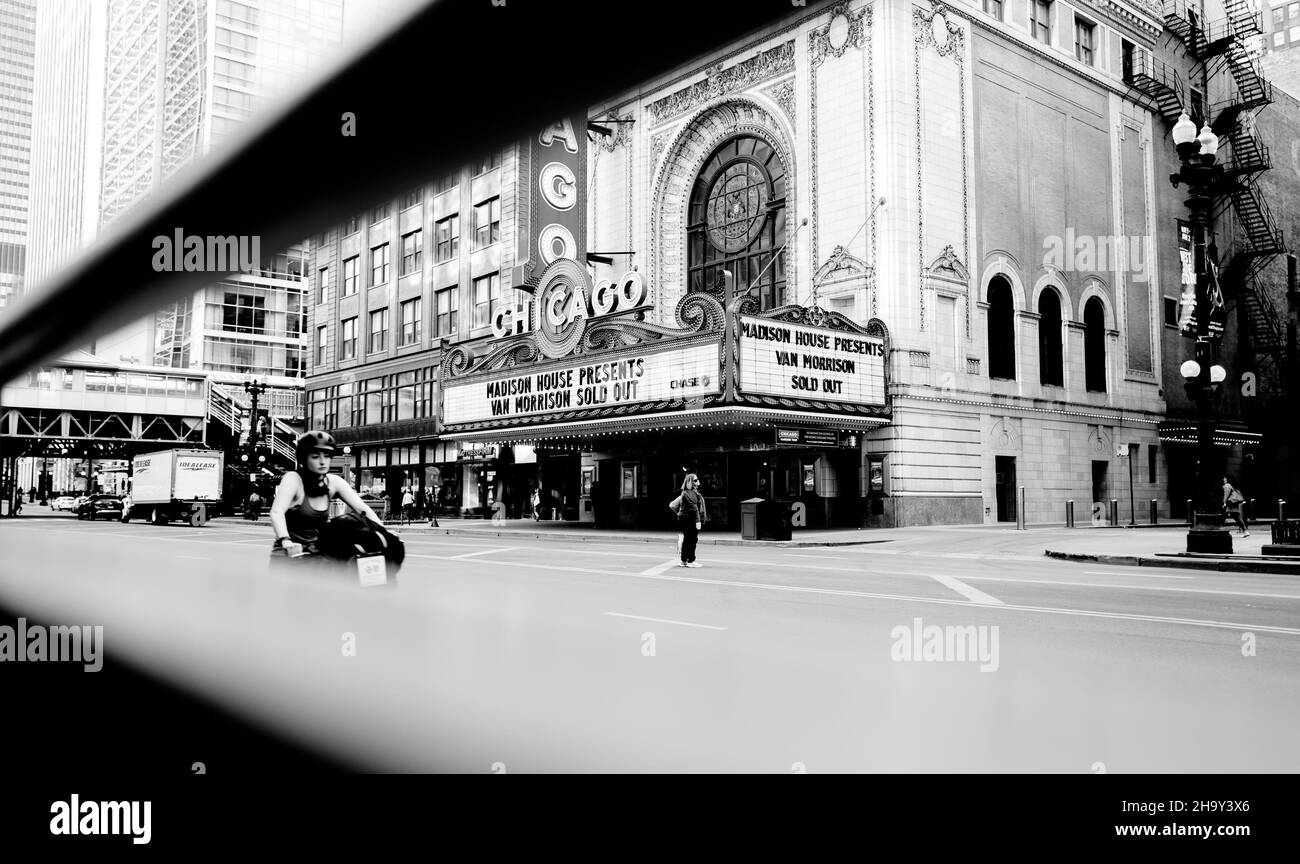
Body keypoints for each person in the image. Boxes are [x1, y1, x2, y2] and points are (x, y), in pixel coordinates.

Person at [269, 430, 384, 559]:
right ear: (304, 459)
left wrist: (384, 531)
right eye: (315, 456)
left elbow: (362, 509)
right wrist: (285, 540)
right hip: (291, 554)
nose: (323, 461)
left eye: (327, 455)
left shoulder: (332, 482)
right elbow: (277, 512)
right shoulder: (294, 479)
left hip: (317, 554)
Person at [672, 473, 707, 568]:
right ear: (690, 482)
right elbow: (694, 508)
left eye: (697, 479)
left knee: (688, 539)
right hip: (689, 519)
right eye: (695, 480)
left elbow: (672, 505)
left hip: (686, 518)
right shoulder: (690, 493)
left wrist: (679, 513)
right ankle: (691, 560)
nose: (697, 481)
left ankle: (684, 560)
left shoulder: (691, 492)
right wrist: (698, 521)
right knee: (692, 540)